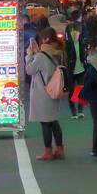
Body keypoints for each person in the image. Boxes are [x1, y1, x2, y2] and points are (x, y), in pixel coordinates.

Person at [25, 27, 67, 161]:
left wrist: (29, 55)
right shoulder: (57, 53)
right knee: (53, 121)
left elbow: (29, 70)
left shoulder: (41, 56)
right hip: (54, 90)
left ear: (46, 39)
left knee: (45, 123)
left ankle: (48, 151)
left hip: (42, 93)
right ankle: (60, 149)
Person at [63, 9, 87, 120]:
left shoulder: (82, 29)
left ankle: (80, 111)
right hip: (71, 65)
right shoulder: (69, 28)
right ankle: (73, 112)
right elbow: (68, 43)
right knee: (72, 90)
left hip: (80, 64)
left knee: (80, 89)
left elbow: (84, 40)